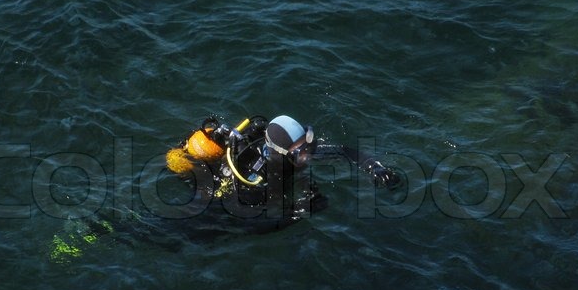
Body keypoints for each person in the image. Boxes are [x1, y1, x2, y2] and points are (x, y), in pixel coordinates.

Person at [50, 114, 399, 261]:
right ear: (281, 152)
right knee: (174, 238)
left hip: (222, 179)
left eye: (308, 143)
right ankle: (98, 230)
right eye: (302, 148)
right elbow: (244, 225)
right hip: (219, 203)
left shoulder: (295, 153)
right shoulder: (258, 175)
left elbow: (345, 151)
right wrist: (297, 214)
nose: (310, 151)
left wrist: (375, 168)